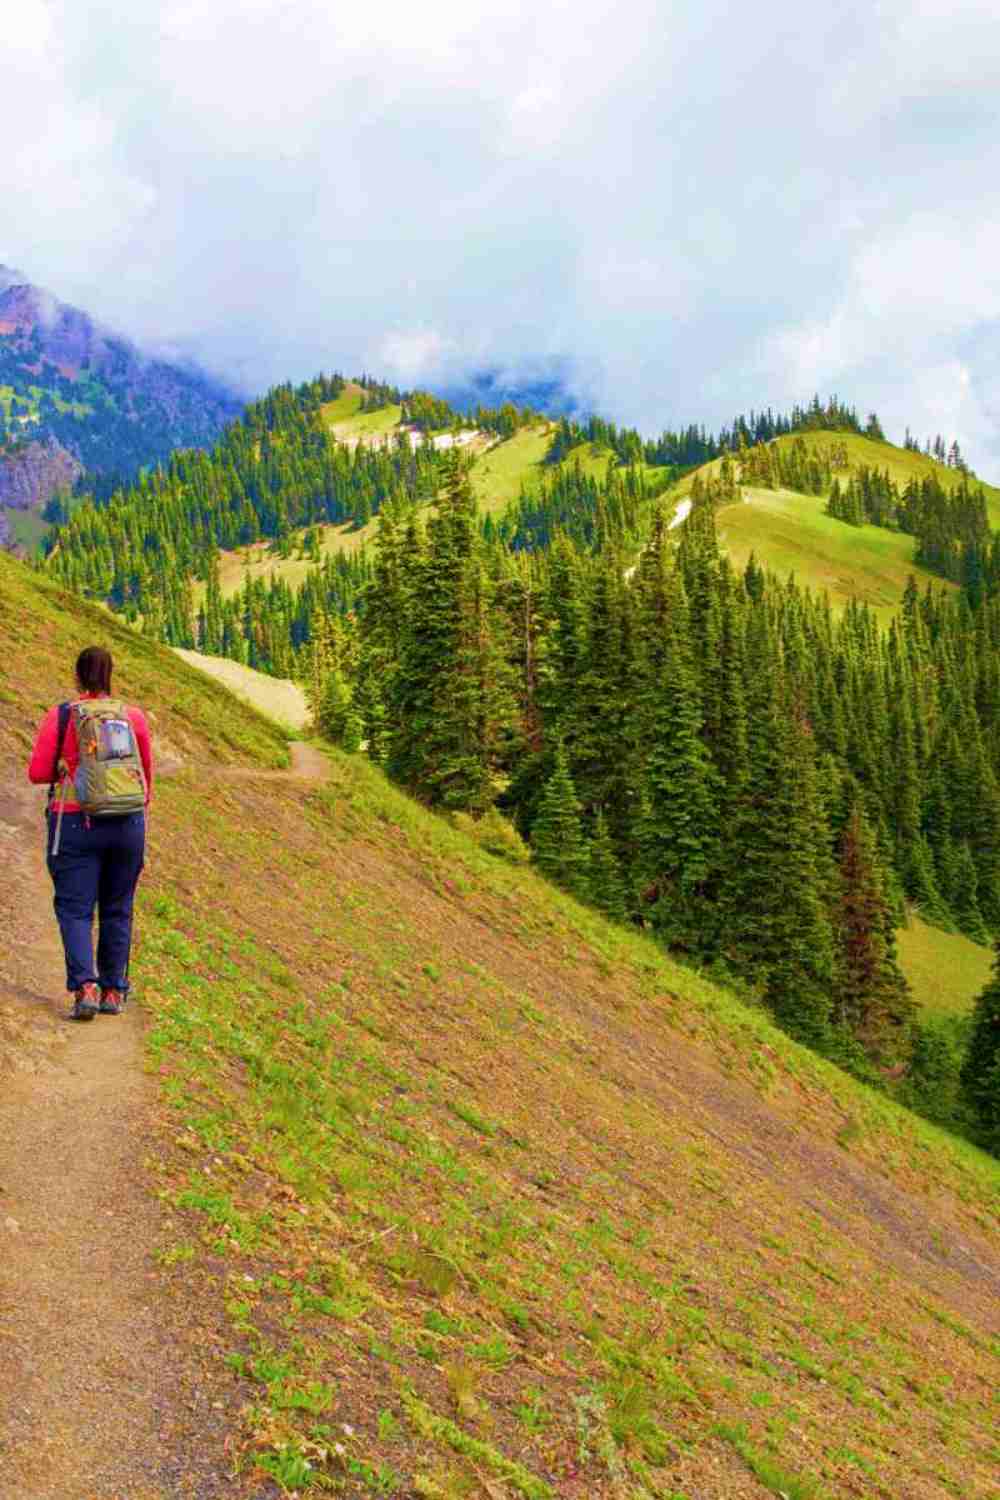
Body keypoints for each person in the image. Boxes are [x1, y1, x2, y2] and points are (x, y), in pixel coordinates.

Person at [28, 646, 153, 1021]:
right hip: (127, 823)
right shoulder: (133, 717)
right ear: (111, 674)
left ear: (77, 676)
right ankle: (114, 991)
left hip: (74, 823)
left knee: (75, 909)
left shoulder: (63, 715)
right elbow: (145, 778)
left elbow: (37, 772)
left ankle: (85, 986)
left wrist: (68, 766)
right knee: (118, 908)